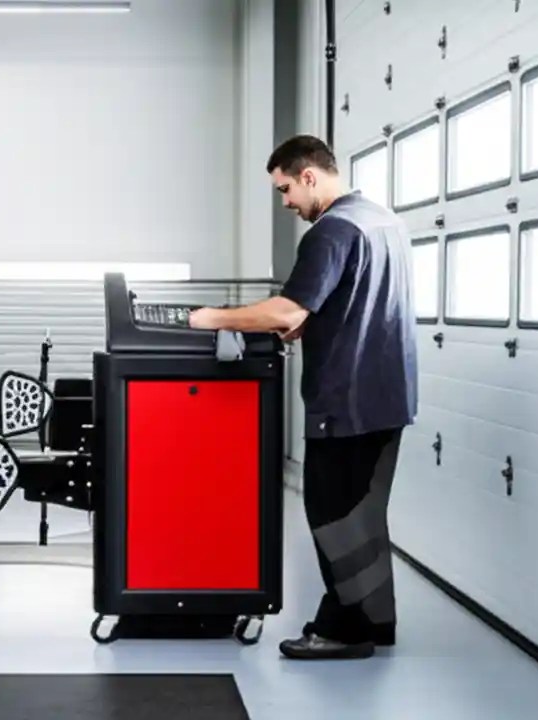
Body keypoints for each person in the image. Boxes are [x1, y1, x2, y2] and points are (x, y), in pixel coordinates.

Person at [188, 134, 418, 660]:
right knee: (365, 512)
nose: (286, 201)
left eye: (285, 188)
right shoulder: (384, 222)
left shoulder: (330, 231)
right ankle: (376, 622)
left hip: (347, 399)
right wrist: (313, 322)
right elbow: (357, 299)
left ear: (309, 176)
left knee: (332, 514)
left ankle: (343, 630)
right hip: (390, 396)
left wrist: (211, 318)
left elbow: (287, 311)